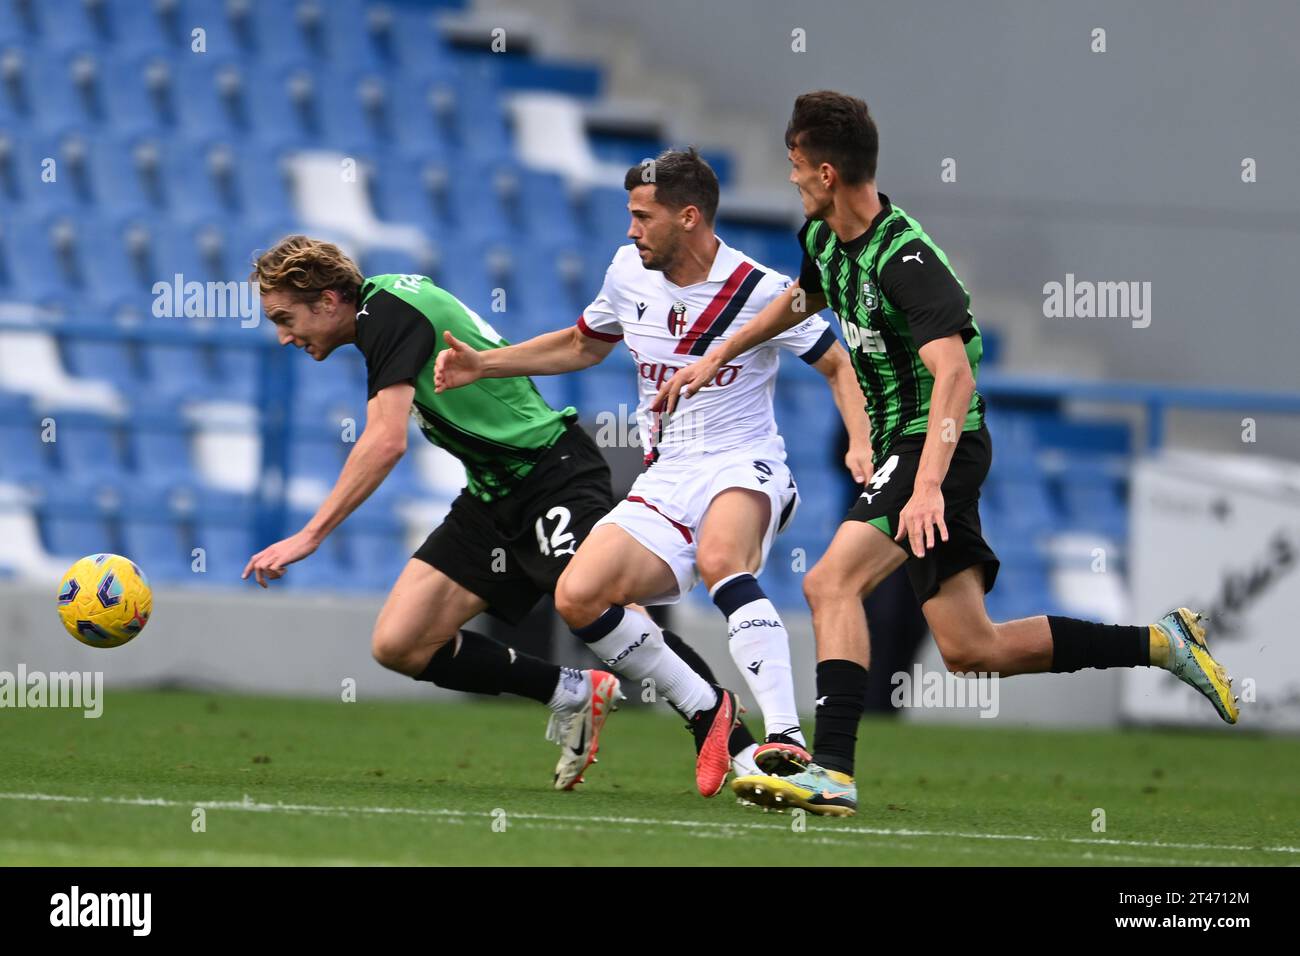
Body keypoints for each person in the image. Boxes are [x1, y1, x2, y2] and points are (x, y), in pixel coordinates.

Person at [656, 92, 1238, 816]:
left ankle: (830, 767)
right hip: (919, 452)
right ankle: (1160, 642)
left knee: (829, 583)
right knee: (972, 648)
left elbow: (956, 373)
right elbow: (800, 304)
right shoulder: (824, 241)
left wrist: (928, 484)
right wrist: (720, 353)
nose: (792, 178)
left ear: (828, 172)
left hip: (937, 443)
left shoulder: (906, 258)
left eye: (796, 165)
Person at [242, 235, 758, 793]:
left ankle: (738, 744)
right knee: (401, 642)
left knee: (608, 606)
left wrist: (311, 535)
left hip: (550, 474)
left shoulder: (384, 311)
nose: (283, 335)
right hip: (492, 495)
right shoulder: (385, 307)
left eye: (283, 316)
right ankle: (573, 692)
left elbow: (385, 441)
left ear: (326, 299)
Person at [434, 148, 872, 797]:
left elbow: (838, 366)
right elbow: (584, 342)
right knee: (579, 594)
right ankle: (708, 710)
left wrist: (859, 446)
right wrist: (484, 365)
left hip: (741, 462)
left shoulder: (757, 288)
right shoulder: (625, 272)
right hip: (667, 474)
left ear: (689, 217)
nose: (632, 230)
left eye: (643, 216)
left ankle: (788, 740)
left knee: (725, 557)